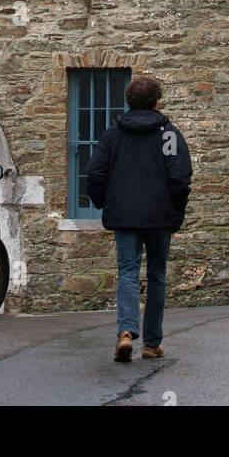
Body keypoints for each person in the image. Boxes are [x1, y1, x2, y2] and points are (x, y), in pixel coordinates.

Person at [85, 75, 192, 362]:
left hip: (125, 215)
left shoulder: (113, 135)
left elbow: (95, 174)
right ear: (157, 101)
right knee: (156, 276)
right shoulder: (167, 135)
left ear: (129, 101)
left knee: (127, 272)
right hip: (159, 216)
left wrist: (104, 203)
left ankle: (125, 332)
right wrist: (176, 210)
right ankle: (152, 343)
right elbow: (179, 177)